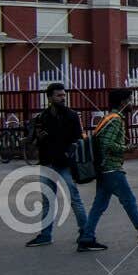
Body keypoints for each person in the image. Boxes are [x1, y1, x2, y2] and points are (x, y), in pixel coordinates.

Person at [79, 88, 138, 252]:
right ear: (122, 102)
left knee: (99, 205)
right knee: (129, 201)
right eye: (129, 100)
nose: (132, 103)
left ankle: (86, 237)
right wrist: (127, 148)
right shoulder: (116, 119)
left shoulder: (108, 118)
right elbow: (107, 144)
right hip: (112, 169)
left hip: (103, 169)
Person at [25, 83, 88, 248]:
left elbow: (78, 139)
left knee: (74, 199)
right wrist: (37, 137)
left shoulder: (72, 115)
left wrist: (68, 154)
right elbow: (33, 142)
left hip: (65, 164)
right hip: (47, 163)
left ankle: (86, 233)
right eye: (59, 95)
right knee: (47, 200)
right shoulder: (42, 117)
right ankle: (45, 235)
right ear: (50, 98)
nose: (63, 98)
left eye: (64, 95)